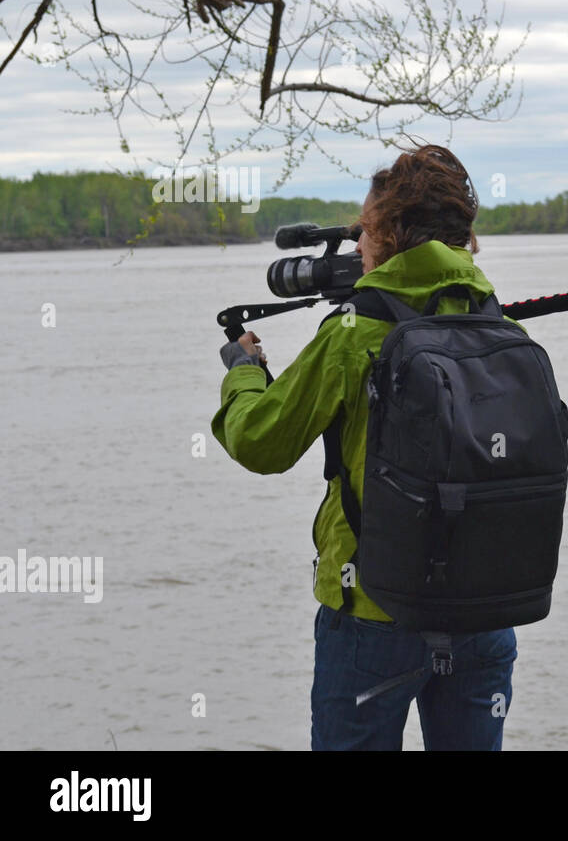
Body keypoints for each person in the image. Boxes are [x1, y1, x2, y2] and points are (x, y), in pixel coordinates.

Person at [212, 144, 517, 751]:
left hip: (374, 615)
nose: (358, 247)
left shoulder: (352, 336)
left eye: (365, 231)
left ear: (386, 230)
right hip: (484, 614)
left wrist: (245, 371)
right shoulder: (502, 328)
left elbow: (260, 441)